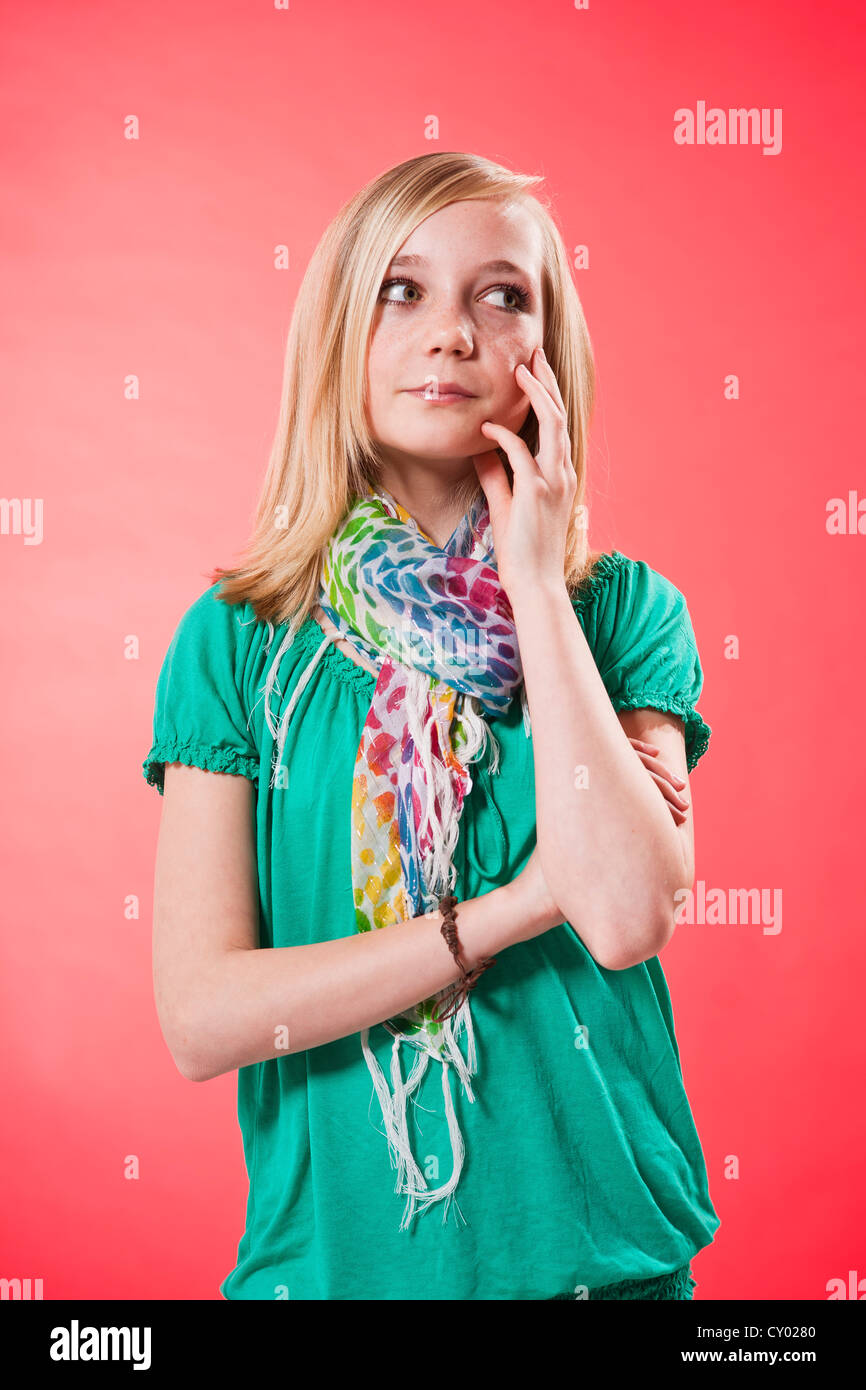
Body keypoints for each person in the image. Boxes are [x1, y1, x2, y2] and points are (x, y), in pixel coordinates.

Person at [142, 151, 720, 1301]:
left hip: (604, 1273)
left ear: (545, 357)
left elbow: (620, 915)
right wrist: (506, 911)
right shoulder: (239, 638)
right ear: (339, 334)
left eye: (500, 295)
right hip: (335, 1271)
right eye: (401, 291)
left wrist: (536, 585)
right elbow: (205, 1018)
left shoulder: (622, 613)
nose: (450, 333)